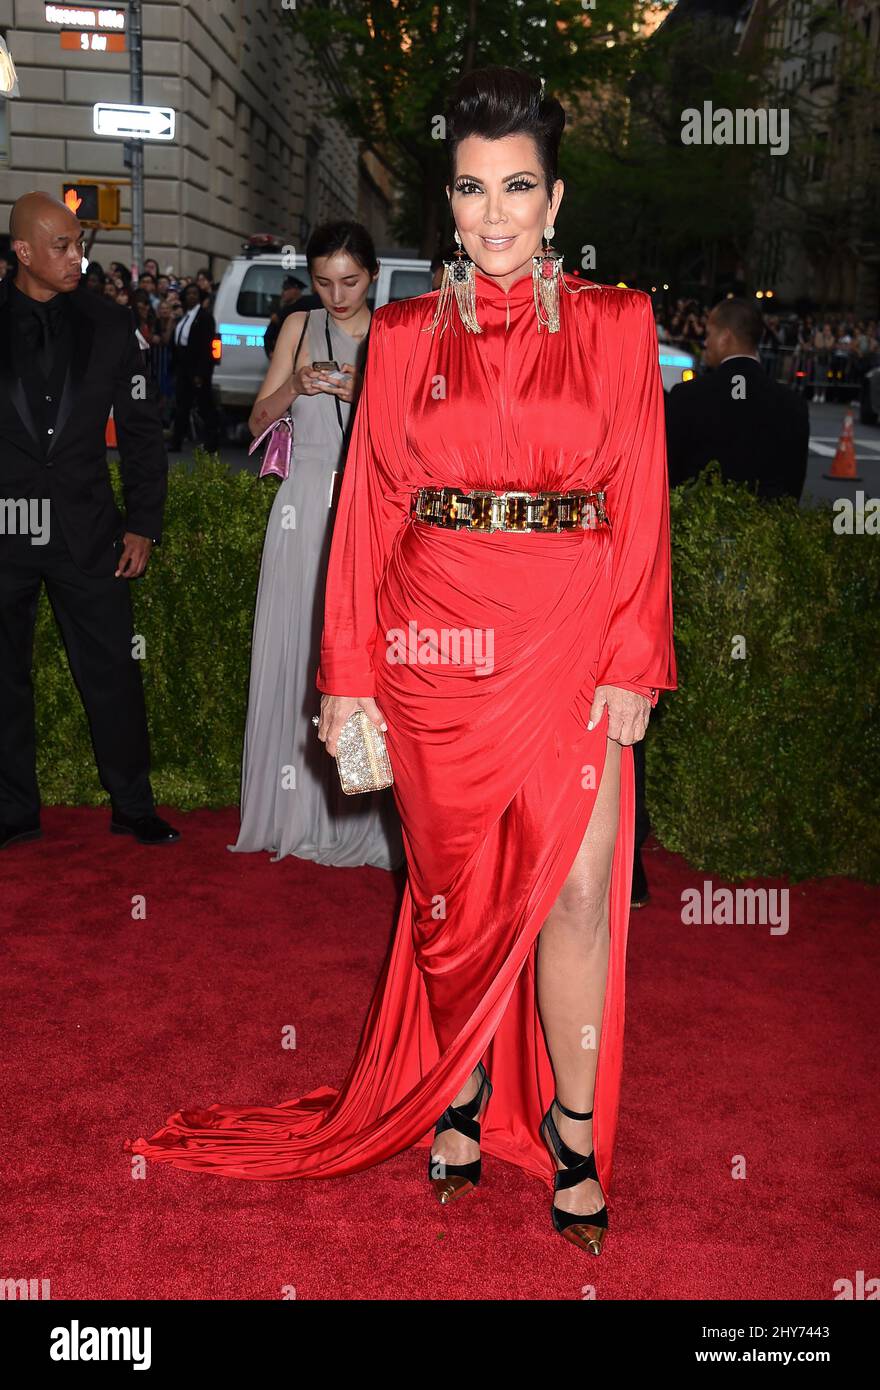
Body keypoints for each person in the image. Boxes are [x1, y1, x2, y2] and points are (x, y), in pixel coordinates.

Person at [126, 68, 676, 1256]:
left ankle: (575, 1137)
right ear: (450, 199)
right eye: (472, 189)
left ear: (553, 196)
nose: (493, 214)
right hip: (434, 646)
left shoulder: (619, 324)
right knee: (453, 894)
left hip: (573, 640)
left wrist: (636, 658)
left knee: (579, 892)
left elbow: (639, 501)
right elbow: (367, 513)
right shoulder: (406, 333)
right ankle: (461, 1093)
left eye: (516, 188)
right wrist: (348, 678)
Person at [0, 192, 178, 849]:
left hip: (88, 529)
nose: (79, 258)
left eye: (80, 245)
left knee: (112, 673)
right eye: (62, 247)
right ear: (23, 253)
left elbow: (141, 430)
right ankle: (14, 810)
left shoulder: (109, 324)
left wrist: (144, 522)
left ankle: (133, 804)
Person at [228, 221, 403, 869]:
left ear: (374, 276)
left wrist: (364, 392)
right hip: (301, 512)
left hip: (369, 517)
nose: (337, 294)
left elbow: (416, 432)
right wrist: (294, 388)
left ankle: (359, 815)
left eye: (350, 281)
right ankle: (294, 812)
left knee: (360, 667)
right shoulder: (299, 327)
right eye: (325, 281)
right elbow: (255, 420)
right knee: (301, 659)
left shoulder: (396, 331)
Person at [666, 297, 809, 501]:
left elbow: (669, 473)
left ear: (725, 337)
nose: (705, 342)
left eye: (709, 334)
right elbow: (793, 485)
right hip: (767, 526)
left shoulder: (686, 396)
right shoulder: (793, 404)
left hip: (698, 521)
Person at [168, 283, 220, 452]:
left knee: (205, 406)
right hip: (184, 368)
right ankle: (176, 442)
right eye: (188, 293)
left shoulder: (204, 317)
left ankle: (212, 441)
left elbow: (206, 347)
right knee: (182, 406)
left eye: (195, 293)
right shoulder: (184, 317)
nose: (191, 296)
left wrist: (201, 373)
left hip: (197, 369)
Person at [263, 275, 306, 358]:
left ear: (296, 290)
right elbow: (268, 336)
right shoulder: (281, 312)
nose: (282, 293)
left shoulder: (305, 308)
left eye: (286, 289)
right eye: (283, 289)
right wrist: (270, 352)